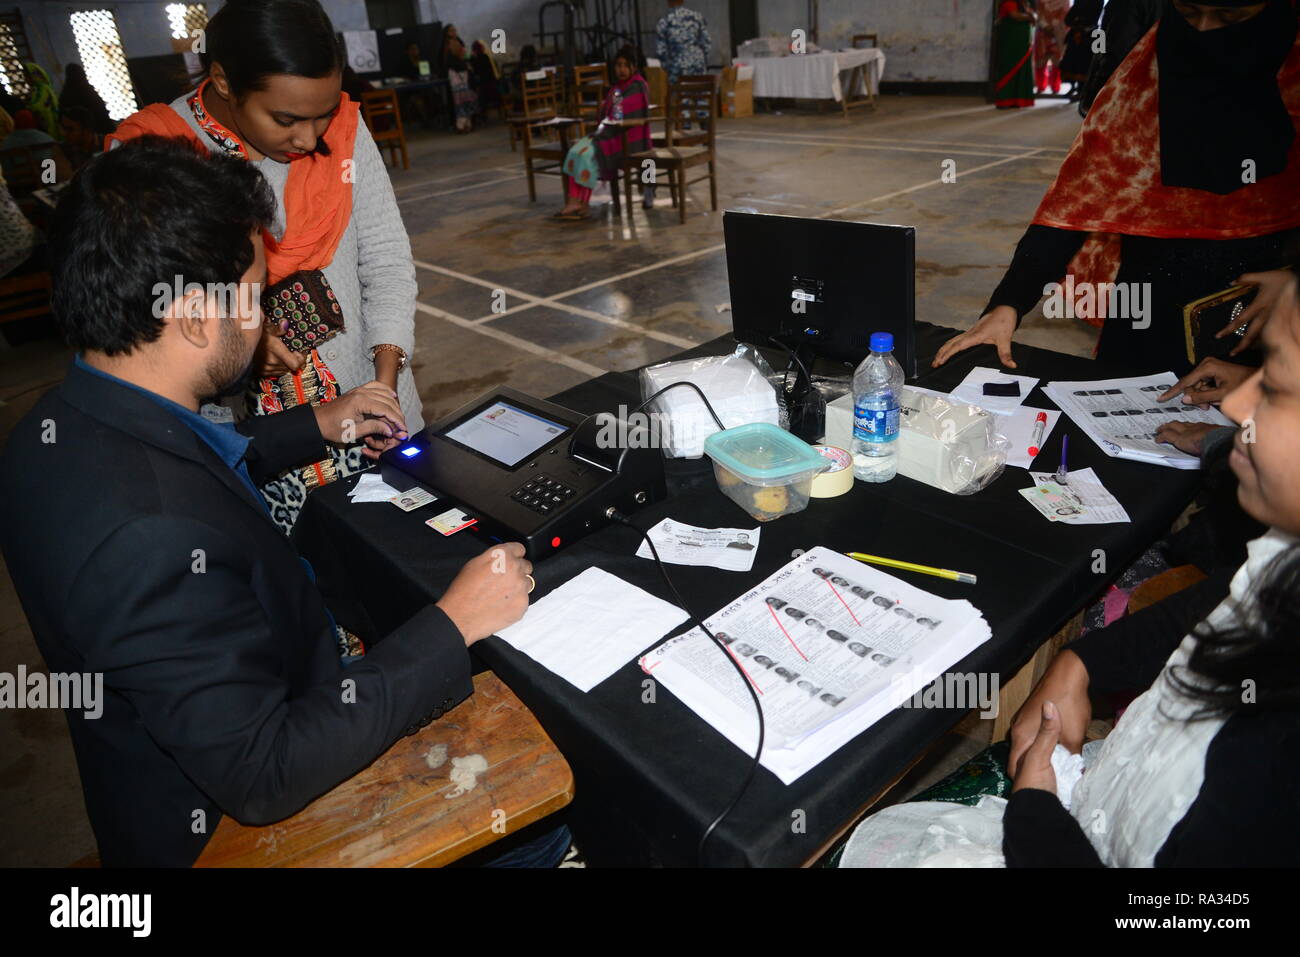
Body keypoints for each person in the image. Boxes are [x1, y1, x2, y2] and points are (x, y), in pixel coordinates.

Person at [0, 137, 541, 867]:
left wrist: (317, 421)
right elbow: (266, 772)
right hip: (224, 829)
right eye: (253, 297)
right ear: (194, 317)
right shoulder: (148, 541)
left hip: (172, 754)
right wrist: (455, 622)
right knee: (536, 828)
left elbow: (186, 461)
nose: (262, 322)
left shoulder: (55, 426)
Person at [840, 274, 1300, 867]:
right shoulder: (1285, 565)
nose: (1237, 405)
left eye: (1279, 388)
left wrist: (1034, 808)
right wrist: (1084, 659)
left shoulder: (1270, 763)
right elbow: (1235, 599)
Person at [107, 0, 422, 540]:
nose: (309, 139)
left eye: (322, 113)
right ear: (224, 82)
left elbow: (387, 260)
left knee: (400, 563)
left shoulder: (343, 131)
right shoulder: (153, 156)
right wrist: (242, 344)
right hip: (242, 434)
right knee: (288, 591)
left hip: (373, 405)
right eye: (286, 119)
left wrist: (383, 392)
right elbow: (140, 315)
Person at [935, 0, 1300, 378]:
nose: (1204, 29)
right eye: (1189, 13)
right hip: (1147, 299)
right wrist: (1008, 304)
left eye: (1230, 14)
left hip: (1266, 311)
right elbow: (1073, 205)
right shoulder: (1141, 86)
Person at [556, 46, 651, 220]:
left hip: (627, 139)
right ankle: (577, 202)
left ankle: (581, 203)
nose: (621, 69)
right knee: (575, 151)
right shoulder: (616, 88)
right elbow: (610, 112)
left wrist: (608, 107)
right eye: (618, 65)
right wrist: (605, 107)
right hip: (607, 135)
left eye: (625, 65)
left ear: (633, 67)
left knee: (587, 155)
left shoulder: (637, 86)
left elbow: (621, 112)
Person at [993, 0, 1037, 108]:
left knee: (1021, 69)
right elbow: (1015, 15)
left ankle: (1017, 100)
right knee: (1009, 68)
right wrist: (1029, 17)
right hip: (1011, 41)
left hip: (1022, 42)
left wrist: (1031, 16)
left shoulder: (1023, 3)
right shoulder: (1009, 1)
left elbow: (1032, 16)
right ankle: (1005, 100)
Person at [655, 0, 711, 85]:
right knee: (700, 94)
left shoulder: (664, 21)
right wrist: (701, 61)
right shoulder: (696, 17)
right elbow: (706, 44)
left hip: (677, 68)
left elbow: (661, 51)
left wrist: (668, 68)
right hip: (697, 66)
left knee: (679, 96)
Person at [439, 23, 479, 133]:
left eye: (455, 30)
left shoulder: (459, 41)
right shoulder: (445, 45)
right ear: (446, 33)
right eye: (451, 30)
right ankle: (460, 125)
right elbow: (446, 61)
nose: (454, 32)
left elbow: (464, 55)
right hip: (454, 74)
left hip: (463, 72)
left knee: (467, 98)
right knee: (459, 100)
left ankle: (468, 123)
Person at [1033, 0, 1069, 94]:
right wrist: (1045, 26)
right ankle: (1041, 85)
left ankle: (1055, 85)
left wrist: (1054, 25)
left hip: (1058, 32)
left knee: (1057, 60)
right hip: (1043, 31)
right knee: (1041, 59)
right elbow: (1038, 13)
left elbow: (1066, 13)